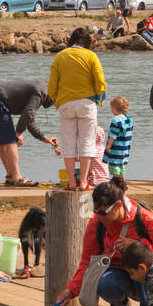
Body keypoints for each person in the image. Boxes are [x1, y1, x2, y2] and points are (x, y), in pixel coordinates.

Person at [55, 176, 153, 306]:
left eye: (103, 212)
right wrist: (71, 290)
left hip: (148, 279)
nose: (98, 217)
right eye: (95, 211)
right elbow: (88, 261)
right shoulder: (97, 223)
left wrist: (139, 246)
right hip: (119, 274)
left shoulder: (146, 219)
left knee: (140, 261)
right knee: (105, 283)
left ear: (118, 205)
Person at [47, 28, 106, 191]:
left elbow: (52, 86)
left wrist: (54, 99)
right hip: (87, 104)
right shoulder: (91, 56)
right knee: (87, 142)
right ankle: (84, 182)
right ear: (86, 43)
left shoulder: (60, 56)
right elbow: (100, 81)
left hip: (66, 104)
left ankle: (72, 182)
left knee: (68, 144)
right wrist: (100, 96)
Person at [0, 79, 58, 187]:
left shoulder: (41, 89)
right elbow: (28, 113)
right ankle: (17, 178)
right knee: (10, 141)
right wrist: (18, 133)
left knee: (4, 142)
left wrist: (43, 137)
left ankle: (11, 177)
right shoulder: (42, 92)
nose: (55, 105)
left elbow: (28, 118)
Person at [103, 96, 133, 176]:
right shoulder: (128, 119)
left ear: (114, 108)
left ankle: (116, 182)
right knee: (121, 166)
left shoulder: (116, 120)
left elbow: (113, 135)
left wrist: (109, 146)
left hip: (116, 148)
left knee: (113, 167)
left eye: (111, 108)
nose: (111, 110)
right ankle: (121, 183)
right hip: (125, 148)